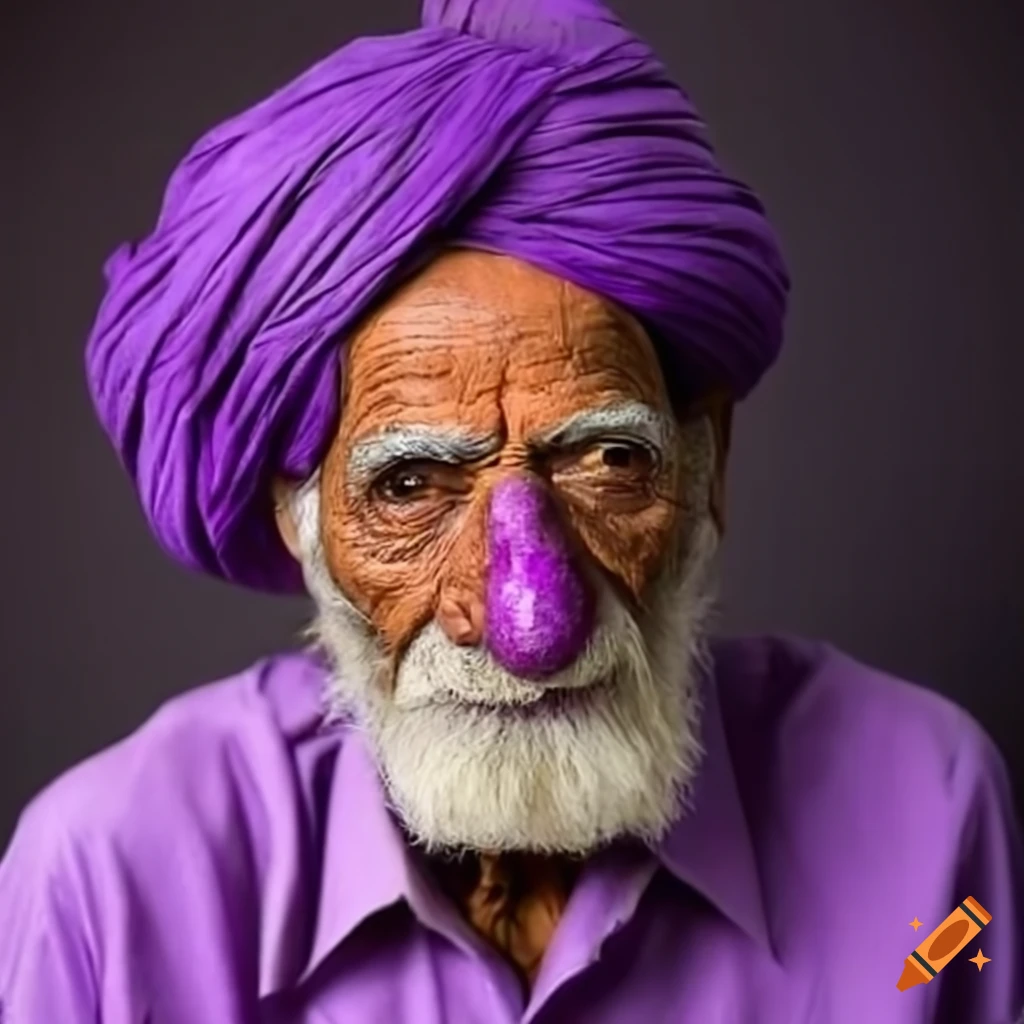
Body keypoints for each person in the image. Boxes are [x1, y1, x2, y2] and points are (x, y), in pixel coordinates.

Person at [1, 0, 1021, 1021]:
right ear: (296, 512)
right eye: (408, 486)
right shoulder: (108, 884)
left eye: (607, 459)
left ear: (705, 462)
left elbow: (952, 976)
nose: (529, 622)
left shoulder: (930, 833)